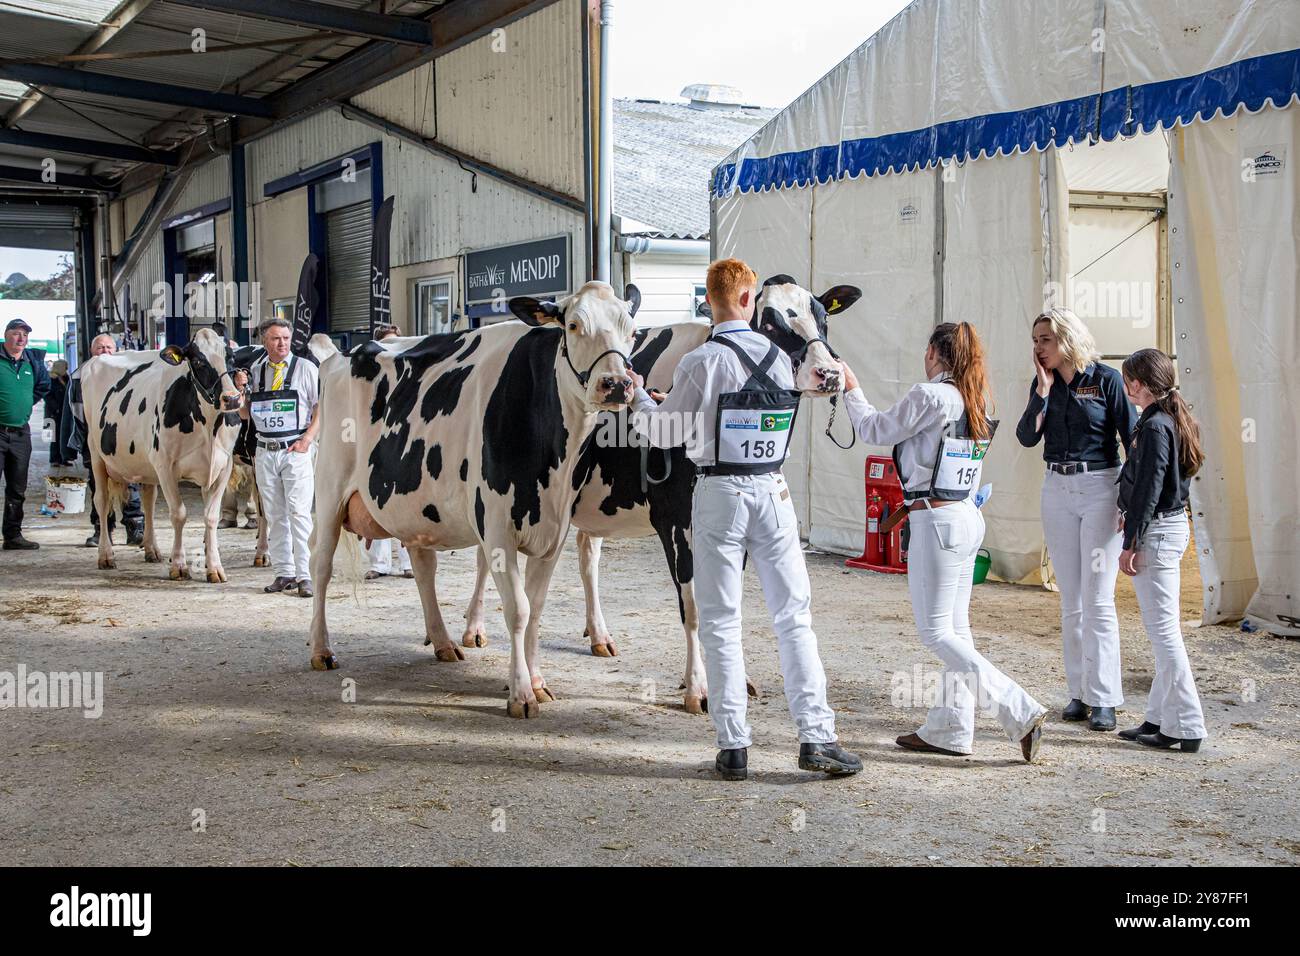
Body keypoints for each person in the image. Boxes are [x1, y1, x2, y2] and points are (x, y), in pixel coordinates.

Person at [629, 257, 862, 781]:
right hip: (773, 491)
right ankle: (817, 737)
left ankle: (734, 746)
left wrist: (641, 396)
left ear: (709, 300)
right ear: (748, 300)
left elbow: (667, 434)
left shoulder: (699, 361)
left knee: (720, 619)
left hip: (719, 493)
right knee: (793, 616)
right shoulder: (782, 360)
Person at [839, 323, 1048, 762]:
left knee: (935, 632)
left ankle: (1019, 708)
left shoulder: (931, 395)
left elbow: (876, 430)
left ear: (933, 351)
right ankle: (951, 728)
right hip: (966, 516)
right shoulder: (976, 397)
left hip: (936, 520)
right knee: (956, 631)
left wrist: (852, 390)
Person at [1016, 307, 1136, 732]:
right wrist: (1043, 393)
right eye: (1035, 341)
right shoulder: (1044, 383)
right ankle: (1079, 692)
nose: (1038, 348)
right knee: (1071, 599)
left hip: (1099, 487)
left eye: (1045, 339)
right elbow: (1027, 436)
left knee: (1098, 598)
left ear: (1067, 338)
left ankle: (1105, 698)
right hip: (1057, 488)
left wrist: (1128, 498)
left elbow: (1132, 437)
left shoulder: (1105, 379)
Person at [1115, 349, 1206, 753]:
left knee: (1165, 634)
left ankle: (1187, 724)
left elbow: (1151, 486)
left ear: (1141, 383)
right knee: (1161, 632)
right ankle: (1158, 717)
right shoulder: (1165, 419)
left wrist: (1131, 539)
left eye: (1129, 380)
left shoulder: (1153, 426)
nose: (1126, 388)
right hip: (1168, 527)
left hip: (1157, 533)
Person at [234, 318, 320, 598]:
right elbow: (245, 415)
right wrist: (241, 391)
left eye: (285, 338)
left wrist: (307, 439)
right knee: (274, 514)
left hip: (294, 449)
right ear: (264, 341)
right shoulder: (256, 371)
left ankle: (306, 575)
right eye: (275, 338)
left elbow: (322, 406)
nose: (281, 343)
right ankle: (284, 572)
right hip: (265, 449)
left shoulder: (306, 368)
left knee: (299, 511)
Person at [64, 333, 144, 547]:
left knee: (131, 484)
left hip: (125, 440)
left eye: (109, 347)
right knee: (98, 485)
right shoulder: (80, 375)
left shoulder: (129, 374)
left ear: (116, 350)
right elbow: (72, 412)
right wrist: (73, 444)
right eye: (100, 348)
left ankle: (135, 527)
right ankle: (102, 529)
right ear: (92, 351)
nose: (105, 352)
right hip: (95, 439)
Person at [363, 321, 410, 579]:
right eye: (387, 343)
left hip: (406, 444)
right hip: (378, 445)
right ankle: (379, 564)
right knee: (379, 500)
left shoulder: (411, 372)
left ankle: (409, 562)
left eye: (396, 343)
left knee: (407, 501)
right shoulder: (370, 375)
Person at [1, 318, 50, 550]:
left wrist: (24, 404)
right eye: (16, 333)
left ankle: (13, 536)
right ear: (5, 335)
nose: (20, 338)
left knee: (17, 488)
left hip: (21, 434)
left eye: (24, 335)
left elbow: (43, 386)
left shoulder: (33, 362)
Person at [45, 359, 70, 466]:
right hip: (53, 413)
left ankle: (64, 458)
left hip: (64, 412)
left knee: (64, 435)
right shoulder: (51, 379)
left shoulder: (66, 378)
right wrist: (56, 407)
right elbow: (47, 396)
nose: (67, 369)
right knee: (53, 437)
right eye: (65, 367)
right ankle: (54, 459)